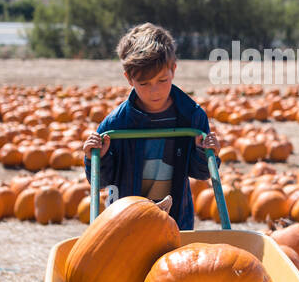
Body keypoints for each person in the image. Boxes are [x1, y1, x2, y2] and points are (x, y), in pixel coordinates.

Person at [82, 24, 220, 230]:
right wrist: (96, 157)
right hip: (126, 221)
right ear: (129, 78)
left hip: (173, 219)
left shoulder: (191, 117)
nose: (154, 91)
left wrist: (206, 153)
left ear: (173, 69)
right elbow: (102, 182)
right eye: (144, 84)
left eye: (162, 80)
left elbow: (200, 173)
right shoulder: (115, 125)